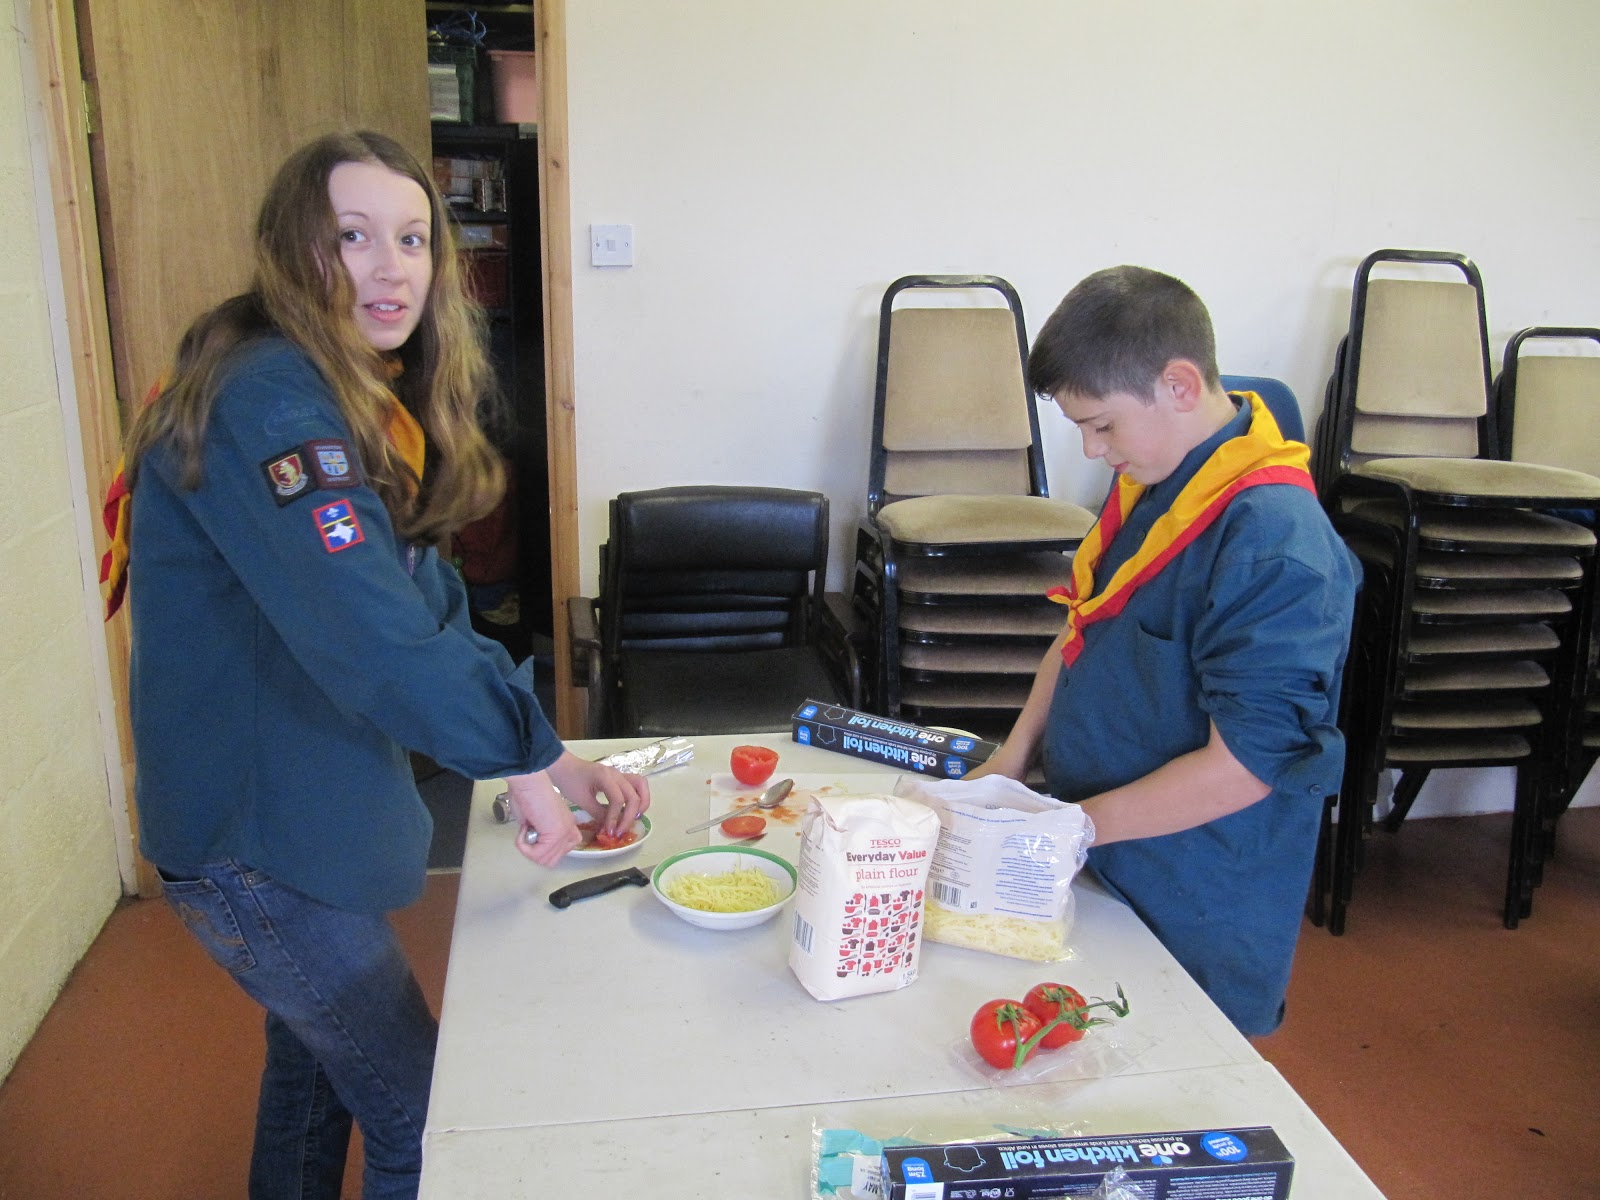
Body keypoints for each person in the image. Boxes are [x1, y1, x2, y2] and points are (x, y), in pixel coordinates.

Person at [105, 130, 649, 1199]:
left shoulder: (343, 387)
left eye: (411, 237)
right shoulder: (272, 402)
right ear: (289, 252)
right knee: (421, 1116)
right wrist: (521, 766)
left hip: (290, 825)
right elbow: (373, 639)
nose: (389, 266)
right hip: (255, 843)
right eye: (350, 237)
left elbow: (421, 597)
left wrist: (546, 752)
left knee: (315, 1077)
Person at [971, 265, 1357, 1036]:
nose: (1092, 449)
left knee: (1174, 1070)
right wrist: (1012, 759)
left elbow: (1243, 767)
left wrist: (1070, 829)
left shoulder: (1276, 547)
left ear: (1180, 385)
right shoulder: (1160, 479)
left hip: (1197, 888)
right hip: (1109, 850)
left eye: (1103, 425)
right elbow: (1084, 628)